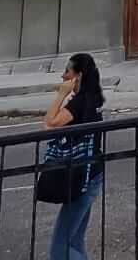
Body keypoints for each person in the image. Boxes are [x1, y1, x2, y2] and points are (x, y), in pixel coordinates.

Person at [44, 52, 105, 260]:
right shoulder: (94, 97)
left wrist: (61, 95)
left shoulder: (79, 103)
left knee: (59, 249)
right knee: (74, 240)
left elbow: (50, 122)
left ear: (77, 76)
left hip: (80, 178)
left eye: (67, 72)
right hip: (92, 174)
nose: (63, 76)